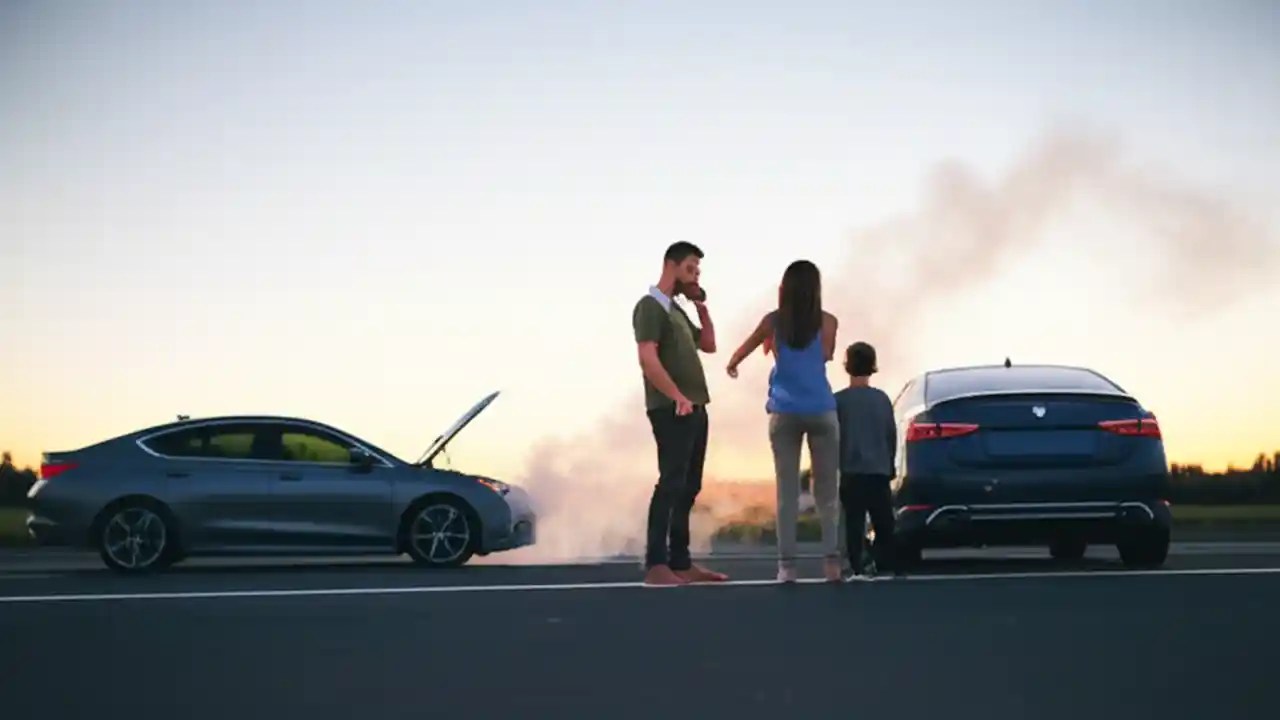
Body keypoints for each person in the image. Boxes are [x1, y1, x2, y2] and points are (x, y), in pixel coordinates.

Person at [726, 260, 842, 583]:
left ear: (784, 289)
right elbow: (826, 355)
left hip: (784, 411)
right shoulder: (829, 321)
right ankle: (832, 563)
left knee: (787, 492)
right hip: (821, 409)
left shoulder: (773, 321)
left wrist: (748, 357)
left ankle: (786, 567)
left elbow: (739, 354)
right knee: (827, 492)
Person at [632, 241, 730, 587]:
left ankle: (681, 561)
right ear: (671, 265)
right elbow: (647, 357)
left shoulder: (676, 310)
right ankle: (656, 564)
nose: (694, 275)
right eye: (690, 268)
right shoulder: (650, 307)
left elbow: (709, 345)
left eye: (698, 271)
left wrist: (701, 306)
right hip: (671, 406)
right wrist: (676, 396)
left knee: (690, 485)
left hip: (696, 405)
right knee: (671, 482)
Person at [834, 341, 900, 579]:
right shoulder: (882, 399)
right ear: (873, 366)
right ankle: (885, 565)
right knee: (884, 521)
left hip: (851, 470)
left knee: (854, 521)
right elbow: (890, 435)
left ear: (847, 366)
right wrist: (890, 464)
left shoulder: (838, 401)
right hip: (879, 469)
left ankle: (856, 566)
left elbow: (834, 439)